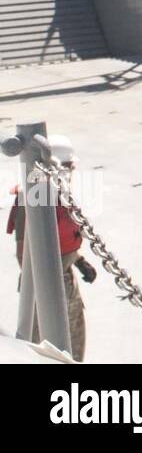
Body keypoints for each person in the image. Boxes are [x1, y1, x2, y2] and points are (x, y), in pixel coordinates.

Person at [7, 141, 95, 361]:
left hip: (66, 278)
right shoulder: (32, 199)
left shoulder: (61, 195)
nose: (70, 172)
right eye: (67, 166)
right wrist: (44, 286)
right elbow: (25, 250)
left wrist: (79, 261)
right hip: (43, 286)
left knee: (74, 340)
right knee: (45, 348)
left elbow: (65, 238)